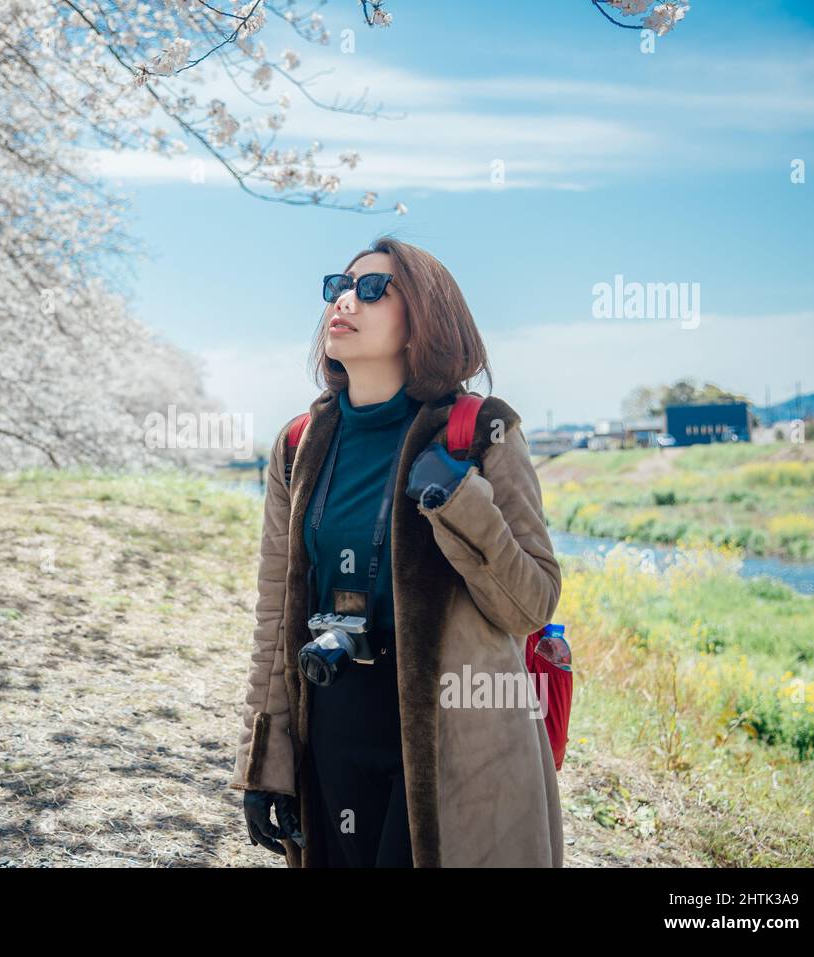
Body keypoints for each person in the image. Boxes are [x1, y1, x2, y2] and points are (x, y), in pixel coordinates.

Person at [229, 237, 564, 867]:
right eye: (339, 286)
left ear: (426, 318)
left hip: (455, 741)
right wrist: (263, 762)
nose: (346, 299)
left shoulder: (480, 431)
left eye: (376, 287)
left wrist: (460, 498)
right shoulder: (299, 444)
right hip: (331, 729)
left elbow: (531, 603)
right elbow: (274, 615)